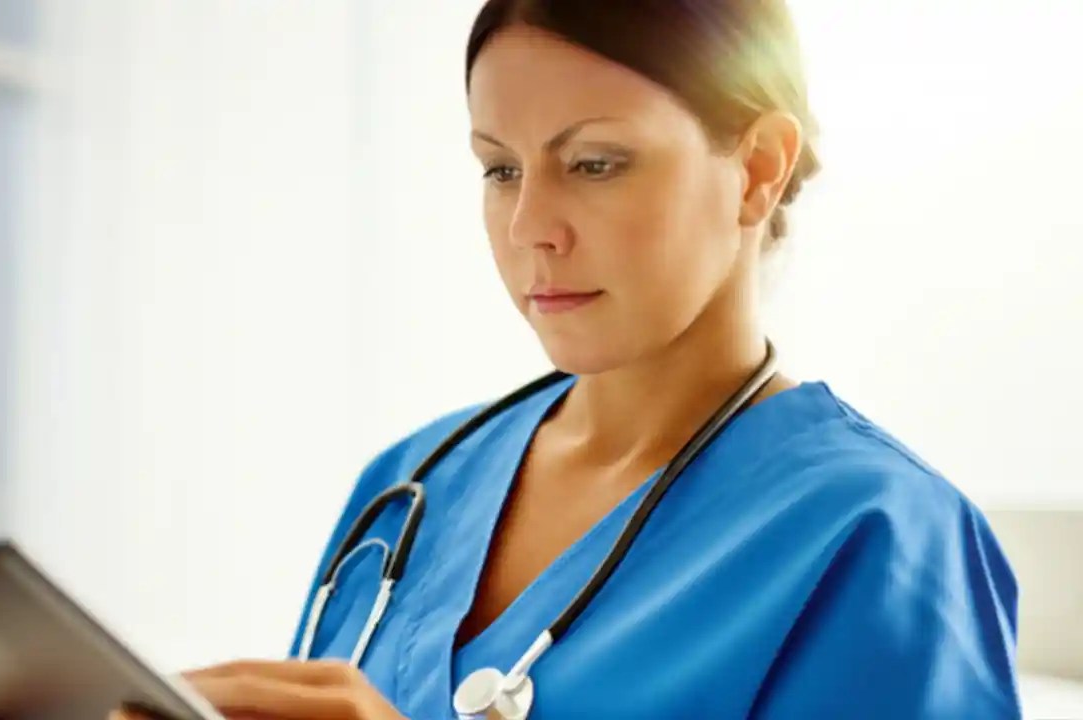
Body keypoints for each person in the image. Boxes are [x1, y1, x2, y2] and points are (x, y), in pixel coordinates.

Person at [118, 0, 1021, 717]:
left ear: (757, 170)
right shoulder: (409, 486)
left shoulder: (881, 538)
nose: (528, 230)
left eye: (594, 164)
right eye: (500, 168)